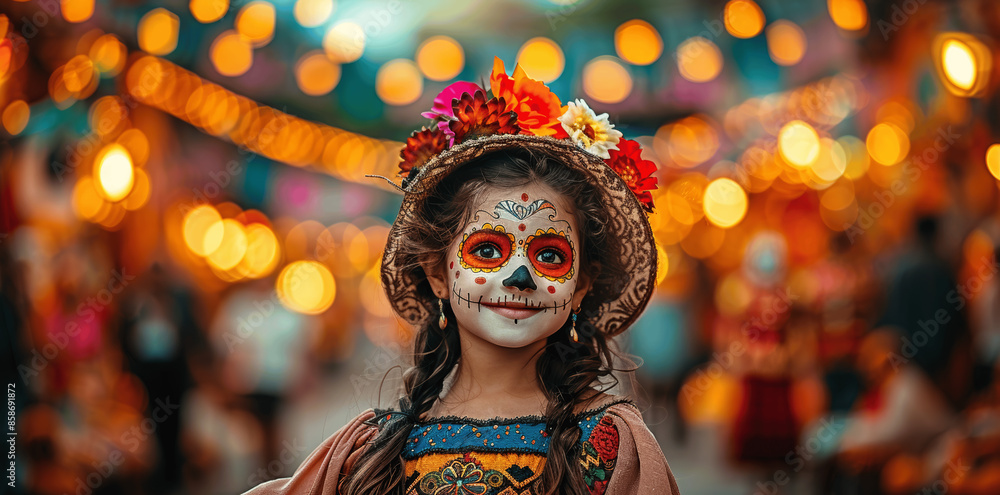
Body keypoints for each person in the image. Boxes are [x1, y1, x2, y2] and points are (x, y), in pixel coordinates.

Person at [244, 57, 680, 495]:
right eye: (487, 250)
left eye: (550, 254)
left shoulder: (611, 446)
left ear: (581, 284)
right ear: (437, 273)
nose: (520, 278)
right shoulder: (373, 454)